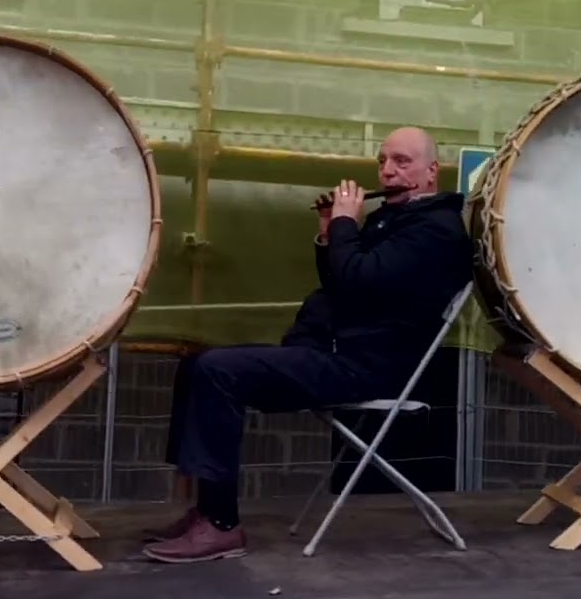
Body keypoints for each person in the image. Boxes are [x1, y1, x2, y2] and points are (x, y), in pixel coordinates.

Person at [140, 126, 473, 563]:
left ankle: (221, 526)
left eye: (402, 162)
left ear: (432, 172)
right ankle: (205, 506)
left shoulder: (435, 230)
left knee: (217, 371)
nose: (387, 172)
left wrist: (343, 224)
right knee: (198, 362)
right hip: (331, 351)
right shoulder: (397, 219)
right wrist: (327, 233)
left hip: (363, 366)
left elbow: (357, 279)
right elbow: (344, 280)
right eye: (382, 161)